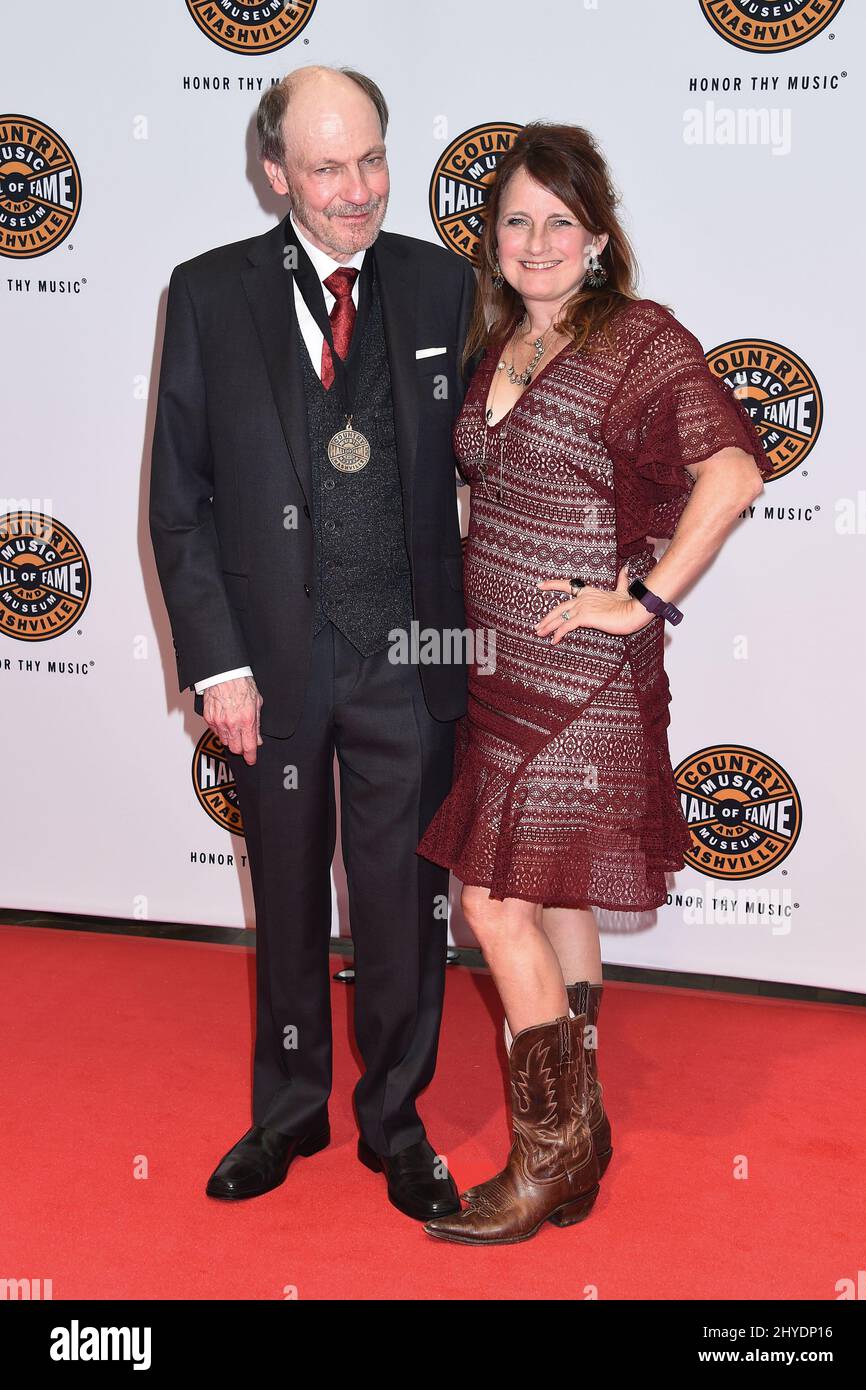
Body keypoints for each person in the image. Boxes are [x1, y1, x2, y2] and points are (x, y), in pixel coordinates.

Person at [416, 121, 774, 1245]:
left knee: (494, 899)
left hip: (585, 674)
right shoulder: (499, 346)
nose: (534, 240)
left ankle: (548, 1160)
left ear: (599, 237)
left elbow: (732, 467)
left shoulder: (639, 341)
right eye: (515, 220)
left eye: (557, 221)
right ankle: (588, 1123)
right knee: (557, 886)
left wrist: (646, 596)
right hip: (498, 670)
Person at [149, 65, 476, 1221]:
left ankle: (396, 1119)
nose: (356, 189)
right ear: (275, 172)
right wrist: (217, 662)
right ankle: (289, 1110)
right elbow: (178, 499)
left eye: (372, 158)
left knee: (401, 903)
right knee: (284, 894)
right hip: (273, 662)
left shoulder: (443, 286)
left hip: (408, 656)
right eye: (328, 166)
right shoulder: (205, 294)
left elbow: (494, 455)